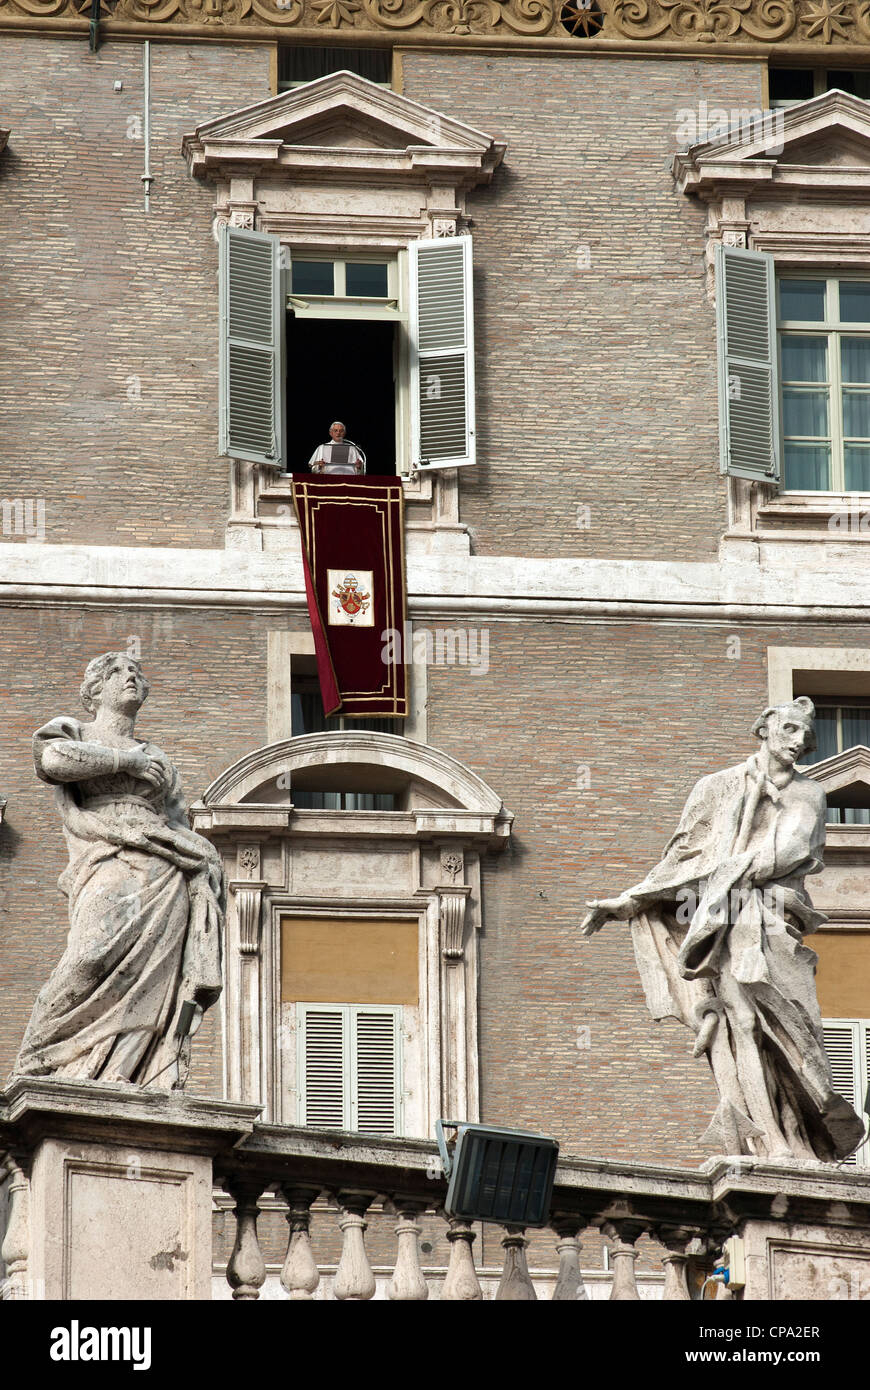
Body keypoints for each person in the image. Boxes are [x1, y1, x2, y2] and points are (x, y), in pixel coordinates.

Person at [580, 697, 864, 1162]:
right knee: (741, 1025)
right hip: (724, 920)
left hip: (772, 918)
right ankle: (772, 1140)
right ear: (764, 730)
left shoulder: (808, 794)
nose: (799, 742)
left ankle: (804, 1129)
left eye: (806, 736)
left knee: (797, 1025)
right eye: (790, 730)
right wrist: (632, 900)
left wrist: (715, 876)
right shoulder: (715, 787)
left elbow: (784, 853)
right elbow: (682, 857)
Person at [13, 653, 223, 1089]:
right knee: (88, 956)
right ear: (95, 689)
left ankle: (126, 1070)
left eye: (136, 673)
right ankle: (40, 1059)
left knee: (153, 979)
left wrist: (200, 854)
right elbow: (54, 761)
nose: (130, 677)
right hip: (106, 854)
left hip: (164, 867)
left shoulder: (159, 757)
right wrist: (125, 762)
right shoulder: (76, 732)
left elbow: (175, 819)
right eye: (117, 672)